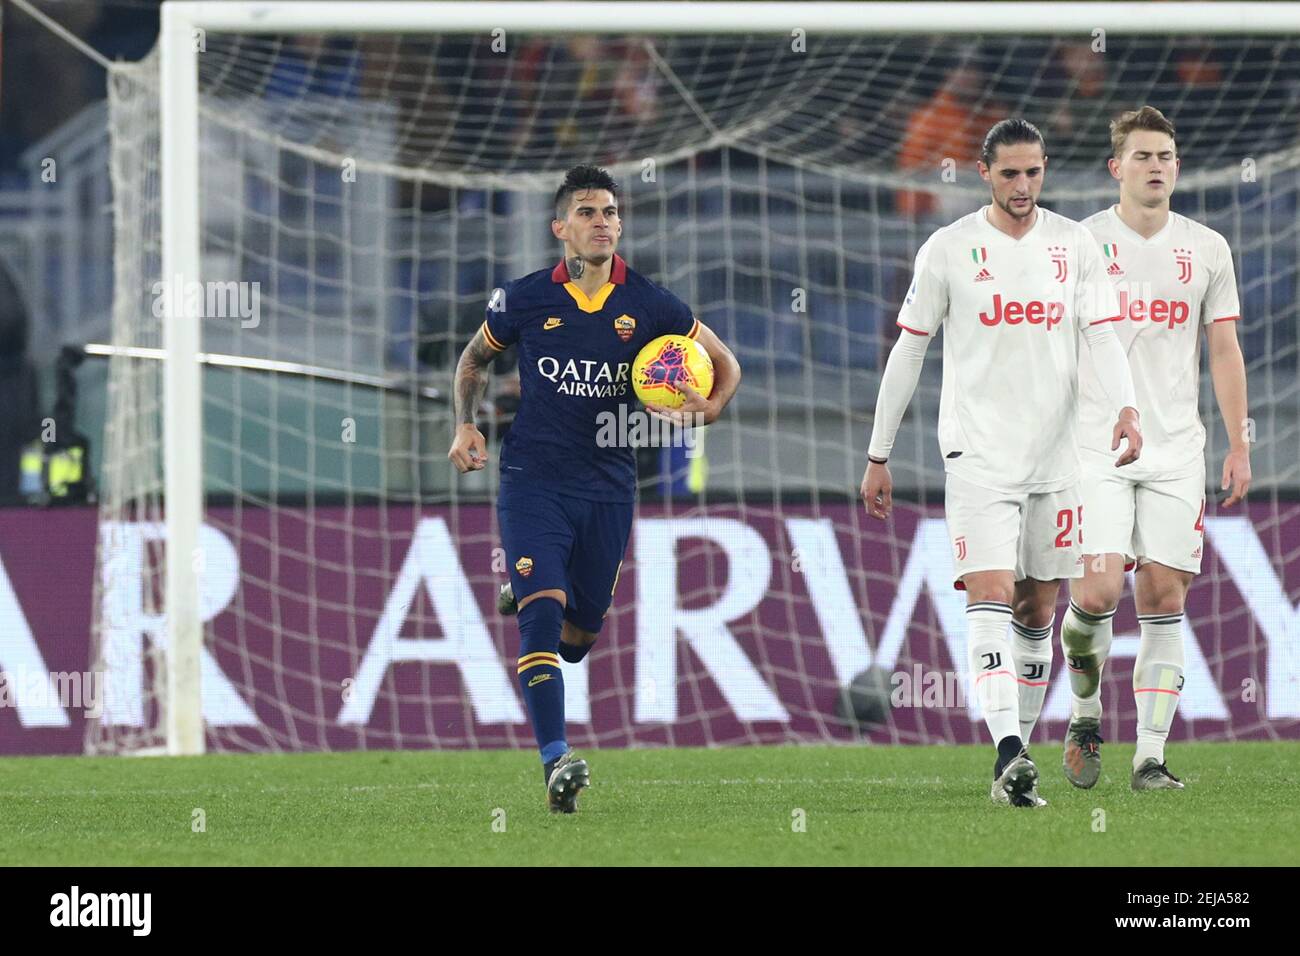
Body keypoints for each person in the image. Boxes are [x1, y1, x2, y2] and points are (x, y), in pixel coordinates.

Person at [861, 118, 1143, 808]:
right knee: (987, 593)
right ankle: (1010, 751)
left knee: (1037, 605)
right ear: (984, 173)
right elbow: (910, 351)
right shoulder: (950, 248)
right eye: (1010, 173)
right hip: (978, 452)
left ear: (1046, 172)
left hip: (1058, 454)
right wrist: (879, 453)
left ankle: (1012, 769)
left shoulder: (1074, 245)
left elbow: (1103, 336)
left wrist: (1128, 408)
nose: (1023, 186)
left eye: (1034, 172)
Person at [448, 165, 741, 812]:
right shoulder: (523, 298)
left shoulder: (653, 304)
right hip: (532, 480)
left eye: (610, 211)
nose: (602, 221)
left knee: (578, 640)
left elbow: (728, 365)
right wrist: (465, 426)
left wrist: (708, 409)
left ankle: (529, 592)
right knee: (543, 616)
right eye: (587, 212)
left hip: (610, 484)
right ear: (561, 228)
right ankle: (556, 761)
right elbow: (473, 359)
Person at [1062, 106, 1249, 792]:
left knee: (1165, 597)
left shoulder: (1207, 248)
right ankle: (1084, 713)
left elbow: (1224, 349)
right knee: (1100, 590)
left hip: (1176, 448)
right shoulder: (1080, 245)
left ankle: (1149, 757)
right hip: (1095, 447)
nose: (1156, 166)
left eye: (1166, 155)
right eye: (1142, 156)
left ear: (1177, 165)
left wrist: (1238, 444)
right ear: (1116, 168)